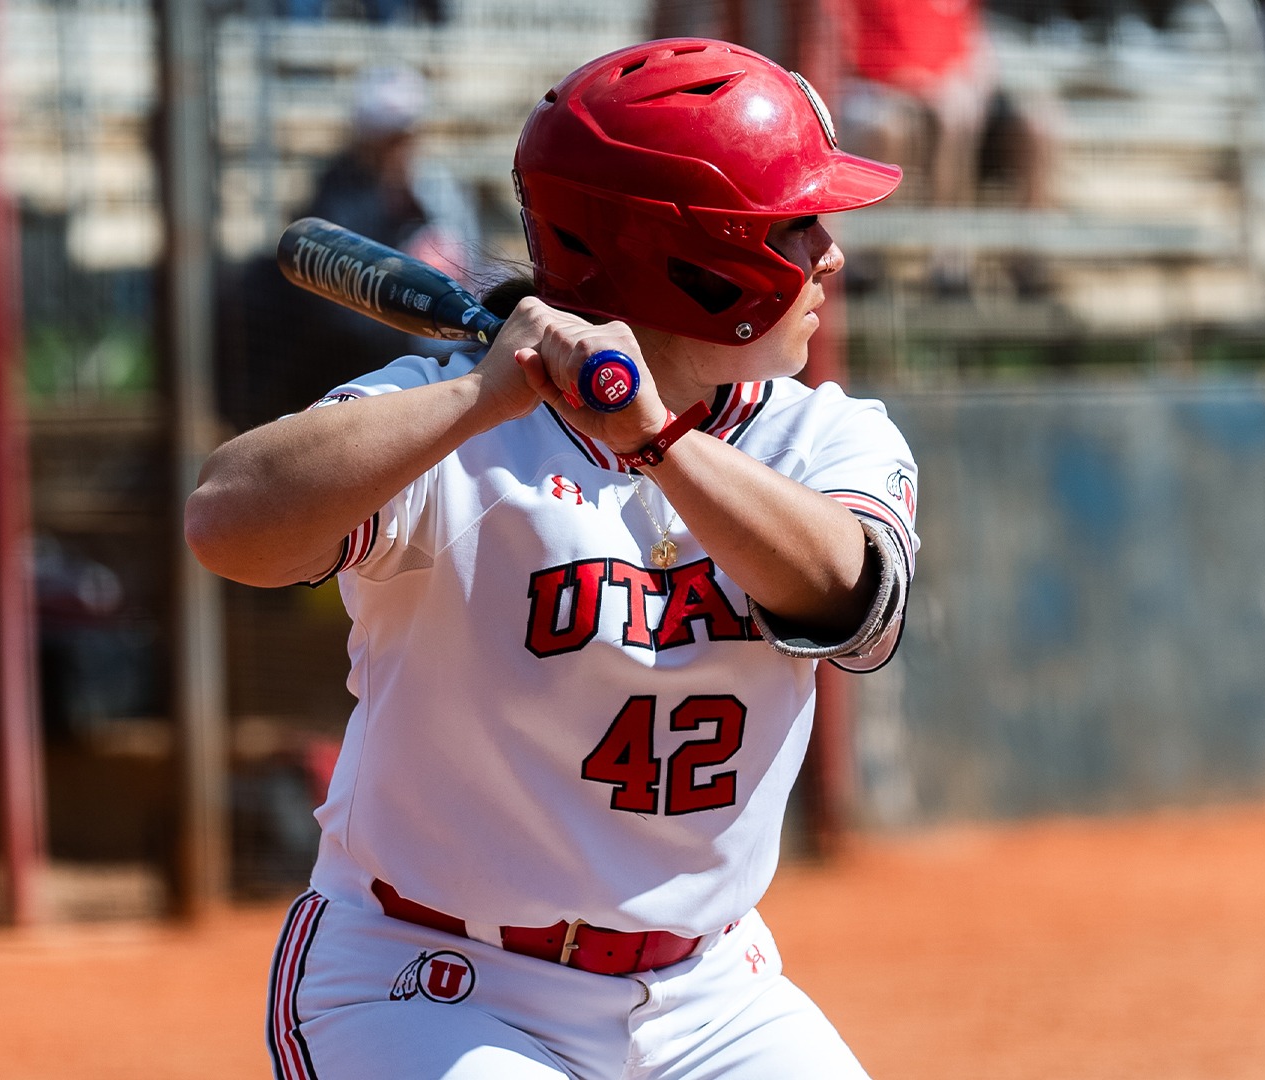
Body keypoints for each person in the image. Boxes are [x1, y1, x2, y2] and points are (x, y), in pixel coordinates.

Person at [186, 38, 920, 1079]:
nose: (830, 256)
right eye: (795, 229)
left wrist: (657, 441)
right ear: (699, 258)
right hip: (433, 981)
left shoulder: (827, 441)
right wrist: (481, 395)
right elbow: (224, 521)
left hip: (711, 995)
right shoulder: (453, 424)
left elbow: (852, 599)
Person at [219, 65, 479, 432]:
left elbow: (472, 264)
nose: (402, 147)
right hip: (368, 369)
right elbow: (343, 317)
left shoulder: (437, 188)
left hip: (439, 356)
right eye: (390, 138)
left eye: (406, 135)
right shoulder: (340, 195)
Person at [835, 0, 1058, 293]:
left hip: (954, 97)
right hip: (888, 88)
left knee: (1038, 123)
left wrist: (970, 83)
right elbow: (851, 45)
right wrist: (916, 80)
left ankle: (1028, 257)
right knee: (947, 115)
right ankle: (946, 260)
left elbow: (975, 47)